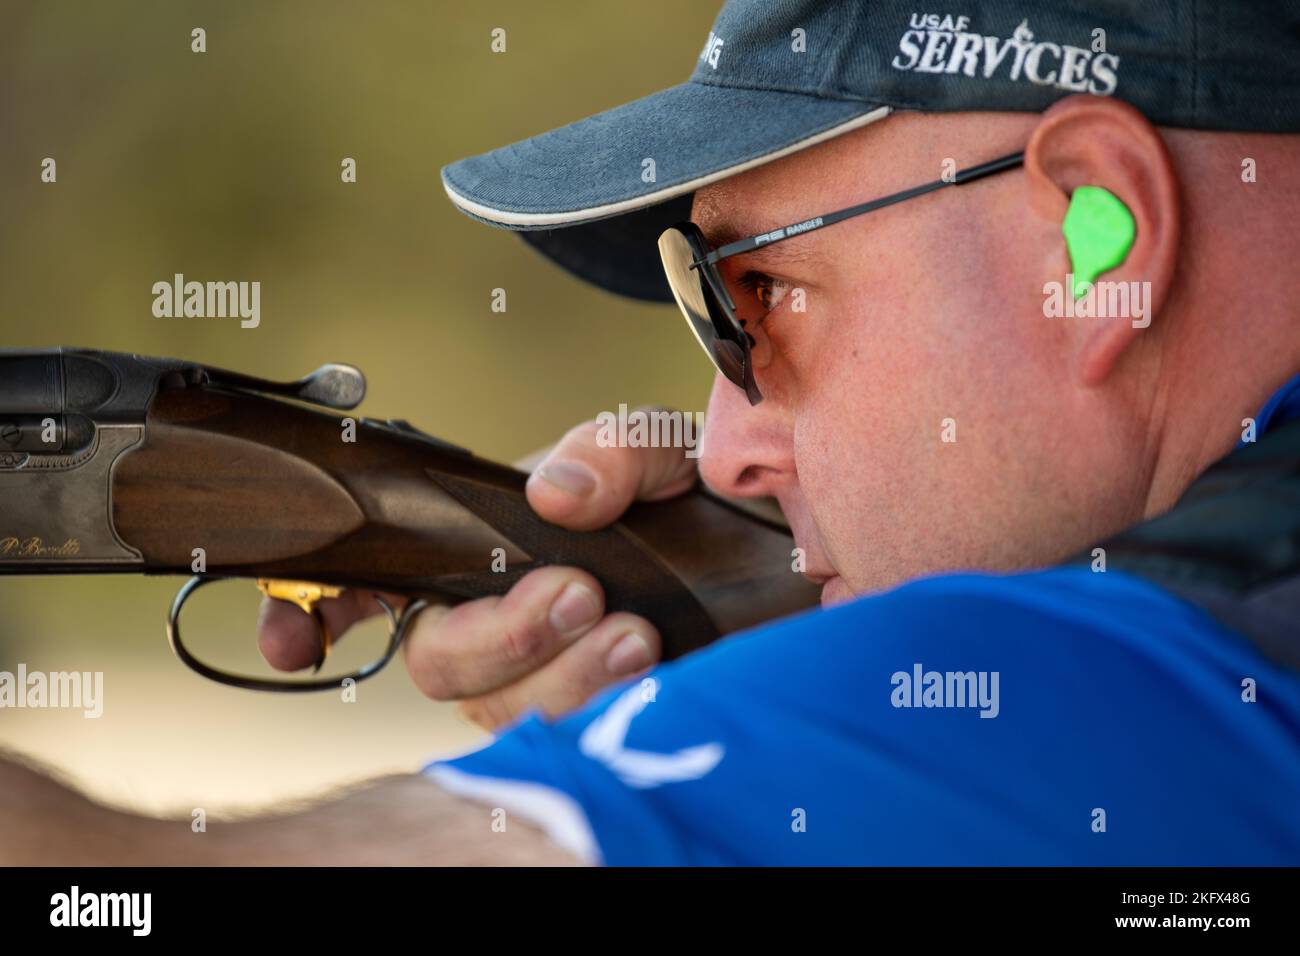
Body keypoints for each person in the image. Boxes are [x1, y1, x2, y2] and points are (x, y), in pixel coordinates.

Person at [4, 0, 1299, 865]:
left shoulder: (1199, 676)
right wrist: (727, 625)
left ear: (1096, 241)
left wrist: (777, 712)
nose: (725, 444)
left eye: (763, 298)